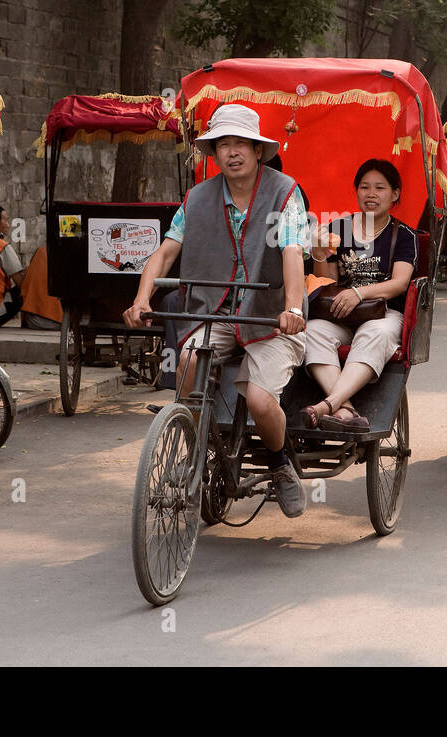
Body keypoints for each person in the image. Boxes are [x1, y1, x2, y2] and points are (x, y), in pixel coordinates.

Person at [123, 104, 310, 518]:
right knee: (188, 364)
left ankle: (280, 465)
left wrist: (293, 307)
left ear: (257, 150)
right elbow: (165, 252)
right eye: (223, 144)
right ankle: (194, 449)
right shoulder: (198, 198)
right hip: (216, 311)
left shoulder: (284, 192)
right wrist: (141, 299)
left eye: (241, 143)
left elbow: (293, 251)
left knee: (261, 402)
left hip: (271, 318)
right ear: (214, 152)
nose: (232, 152)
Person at [301, 159, 417, 432]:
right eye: (364, 187)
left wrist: (358, 292)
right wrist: (319, 254)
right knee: (313, 330)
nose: (371, 194)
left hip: (384, 313)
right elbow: (326, 282)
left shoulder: (404, 235)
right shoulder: (338, 229)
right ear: (356, 191)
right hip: (341, 313)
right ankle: (346, 410)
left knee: (374, 334)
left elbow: (400, 283)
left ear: (395, 194)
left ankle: (326, 406)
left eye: (380, 188)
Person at [18, 245, 63, 330]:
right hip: (62, 323)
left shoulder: (40, 252)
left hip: (33, 321)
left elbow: (23, 288)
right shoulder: (69, 257)